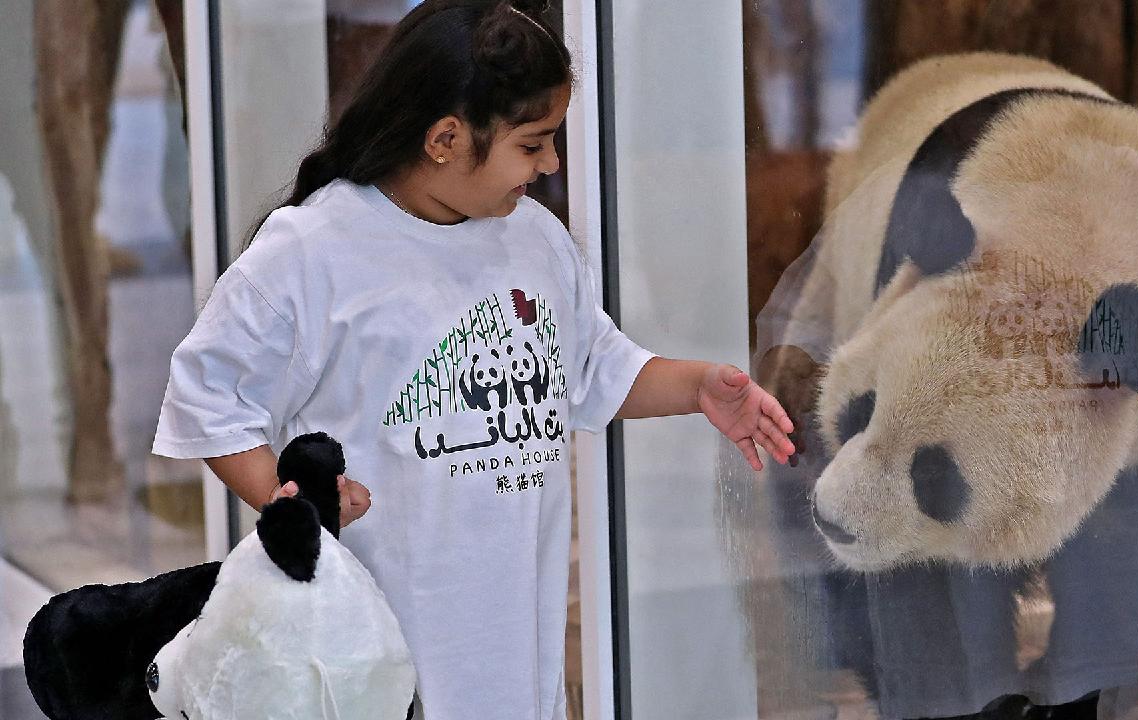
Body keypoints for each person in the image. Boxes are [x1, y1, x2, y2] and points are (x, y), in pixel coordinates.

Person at [150, 1, 795, 718]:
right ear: (446, 138)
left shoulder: (536, 241)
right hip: (372, 667)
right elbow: (208, 394)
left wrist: (699, 387)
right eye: (533, 143)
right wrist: (289, 508)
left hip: (518, 665)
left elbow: (592, 366)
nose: (551, 164)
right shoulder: (313, 249)